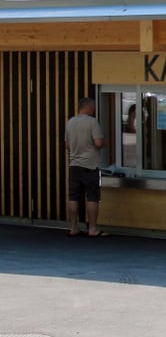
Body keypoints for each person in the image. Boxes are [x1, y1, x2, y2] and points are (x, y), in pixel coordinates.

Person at [65, 96, 107, 237]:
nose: (94, 109)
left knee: (73, 197)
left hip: (74, 165)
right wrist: (105, 143)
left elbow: (67, 145)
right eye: (93, 107)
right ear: (88, 107)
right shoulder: (92, 122)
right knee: (92, 197)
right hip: (91, 165)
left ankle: (73, 227)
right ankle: (93, 228)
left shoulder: (70, 122)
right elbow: (99, 143)